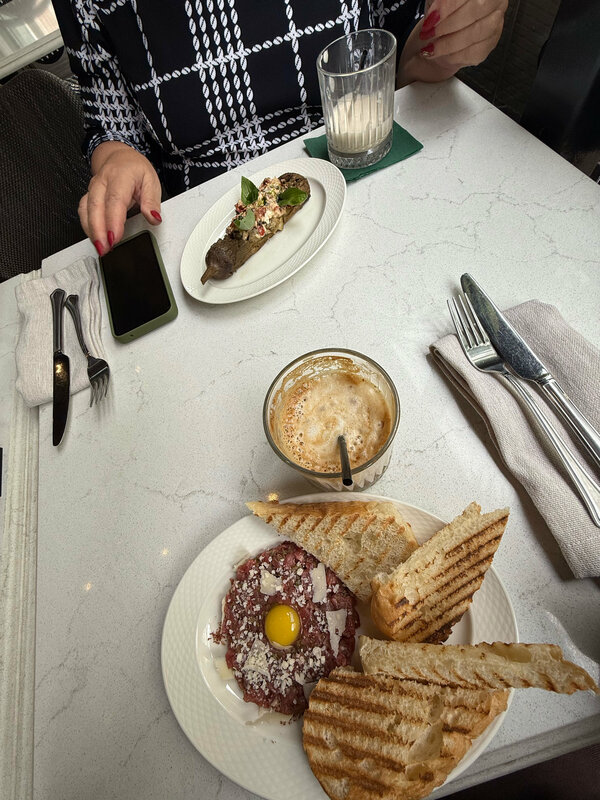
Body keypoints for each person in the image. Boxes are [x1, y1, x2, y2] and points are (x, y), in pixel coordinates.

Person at [52, 0, 507, 257]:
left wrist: (445, 44)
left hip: (366, 180)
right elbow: (109, 121)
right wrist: (117, 158)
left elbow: (397, 55)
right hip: (208, 230)